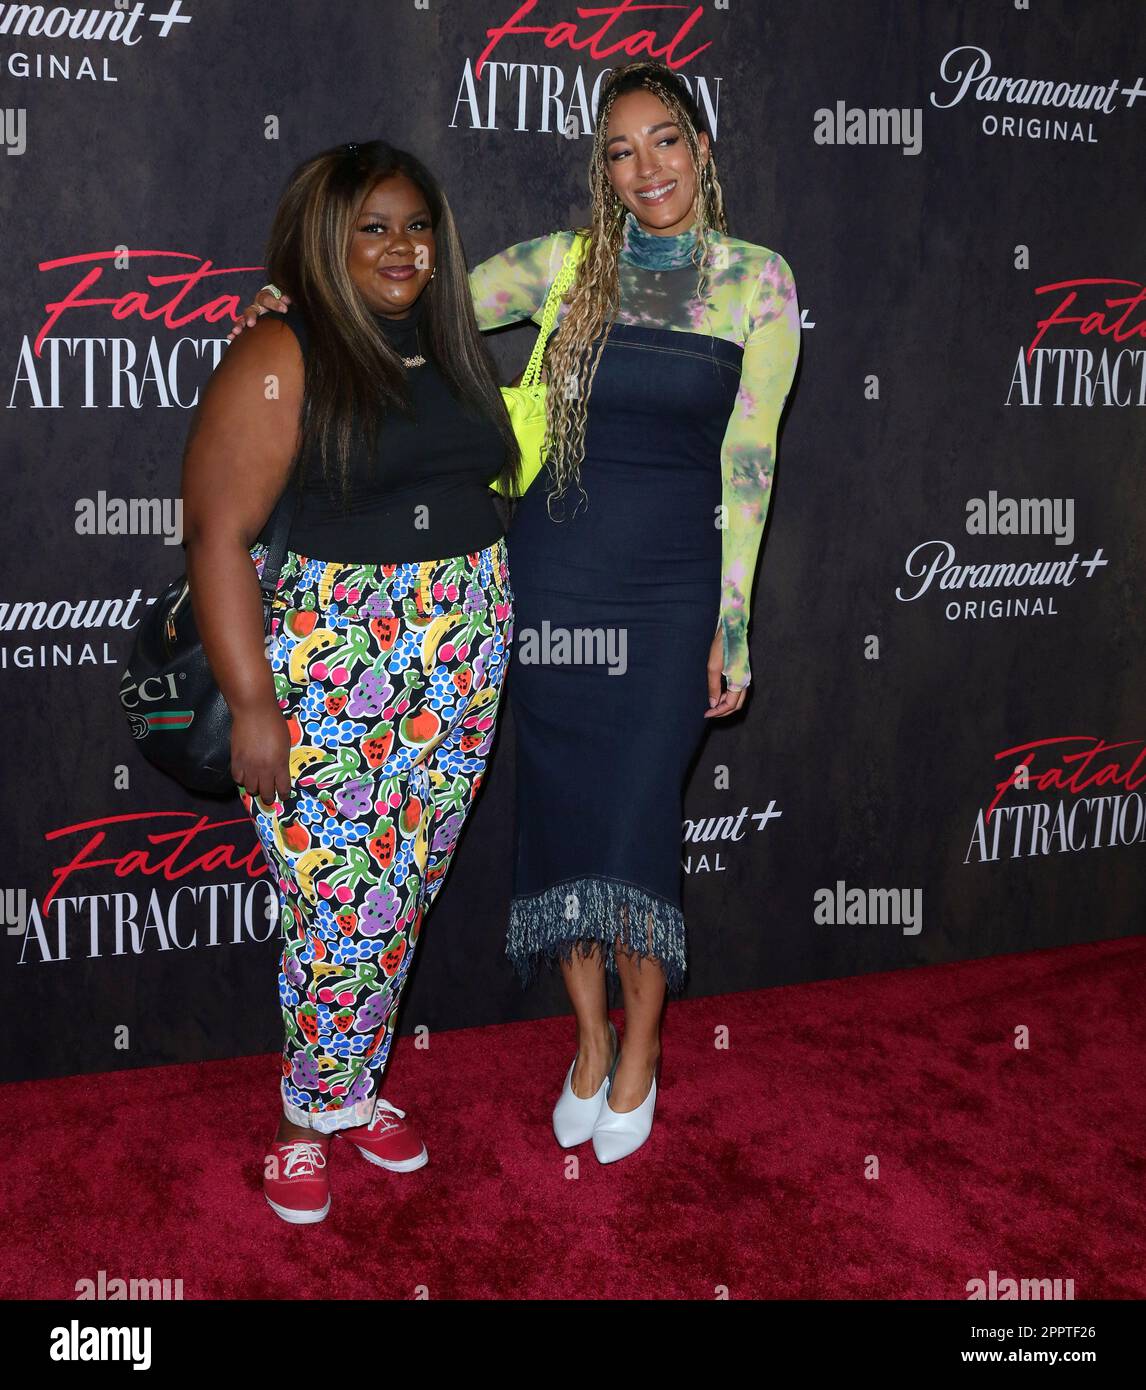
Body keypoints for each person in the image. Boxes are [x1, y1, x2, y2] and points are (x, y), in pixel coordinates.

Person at [236, 60, 801, 1166]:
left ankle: (642, 1048)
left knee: (635, 821)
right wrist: (297, 304)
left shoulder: (757, 283)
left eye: (667, 140)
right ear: (603, 170)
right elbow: (418, 304)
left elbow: (751, 459)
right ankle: (585, 1042)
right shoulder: (568, 266)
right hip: (545, 578)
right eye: (623, 150)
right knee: (558, 813)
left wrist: (733, 622)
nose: (649, 168)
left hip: (671, 590)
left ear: (701, 147)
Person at [184, 141, 517, 1223]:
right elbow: (218, 534)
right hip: (341, 664)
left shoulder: (447, 334)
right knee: (337, 901)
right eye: (372, 227)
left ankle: (348, 1090)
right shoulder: (282, 350)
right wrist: (250, 703)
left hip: (461, 655)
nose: (402, 247)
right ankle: (301, 1117)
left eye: (416, 225)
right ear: (326, 237)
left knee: (401, 891)